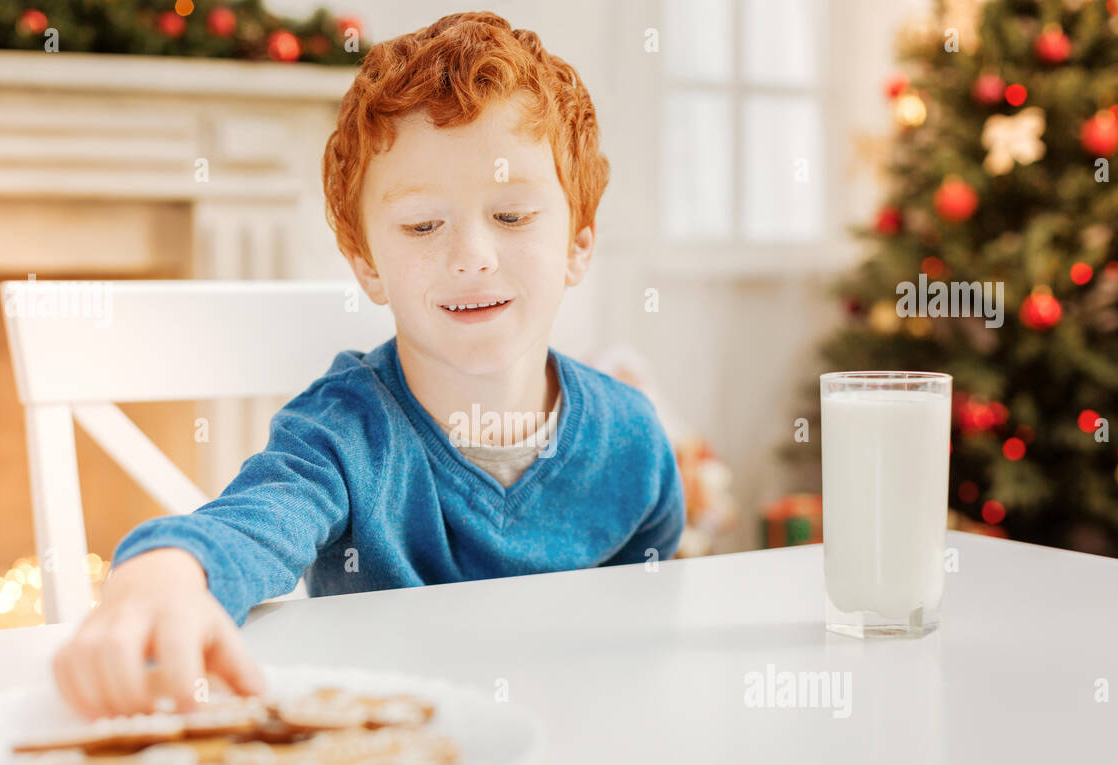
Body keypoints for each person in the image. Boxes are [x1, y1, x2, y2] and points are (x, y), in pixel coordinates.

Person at [53, 11, 685, 719]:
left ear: (579, 244)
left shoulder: (632, 442)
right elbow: (252, 524)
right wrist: (166, 575)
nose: (472, 254)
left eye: (511, 216)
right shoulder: (342, 435)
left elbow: (645, 641)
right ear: (367, 266)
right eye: (422, 226)